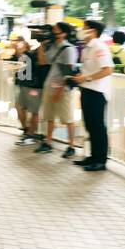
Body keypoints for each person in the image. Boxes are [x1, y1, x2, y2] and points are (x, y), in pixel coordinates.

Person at [70, 20, 113, 171]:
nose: (81, 30)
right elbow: (88, 69)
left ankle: (101, 160)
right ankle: (93, 157)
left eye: (85, 28)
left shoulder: (99, 47)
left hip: (97, 92)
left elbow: (107, 70)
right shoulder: (87, 48)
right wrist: (80, 77)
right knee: (89, 125)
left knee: (97, 127)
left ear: (93, 31)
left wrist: (86, 78)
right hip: (87, 90)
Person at [34, 21, 79, 159]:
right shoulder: (53, 46)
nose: (52, 32)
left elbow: (69, 72)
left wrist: (60, 90)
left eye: (55, 30)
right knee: (49, 116)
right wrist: (41, 43)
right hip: (49, 85)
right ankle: (48, 141)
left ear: (64, 33)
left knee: (67, 118)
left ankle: (71, 146)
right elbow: (43, 62)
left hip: (62, 89)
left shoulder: (69, 49)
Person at [11, 37, 47, 146]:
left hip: (33, 87)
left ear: (27, 47)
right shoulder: (19, 57)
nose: (18, 46)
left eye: (20, 44)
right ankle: (27, 131)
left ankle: (31, 135)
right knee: (19, 106)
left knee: (34, 111)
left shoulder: (29, 55)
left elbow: (27, 68)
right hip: (23, 86)